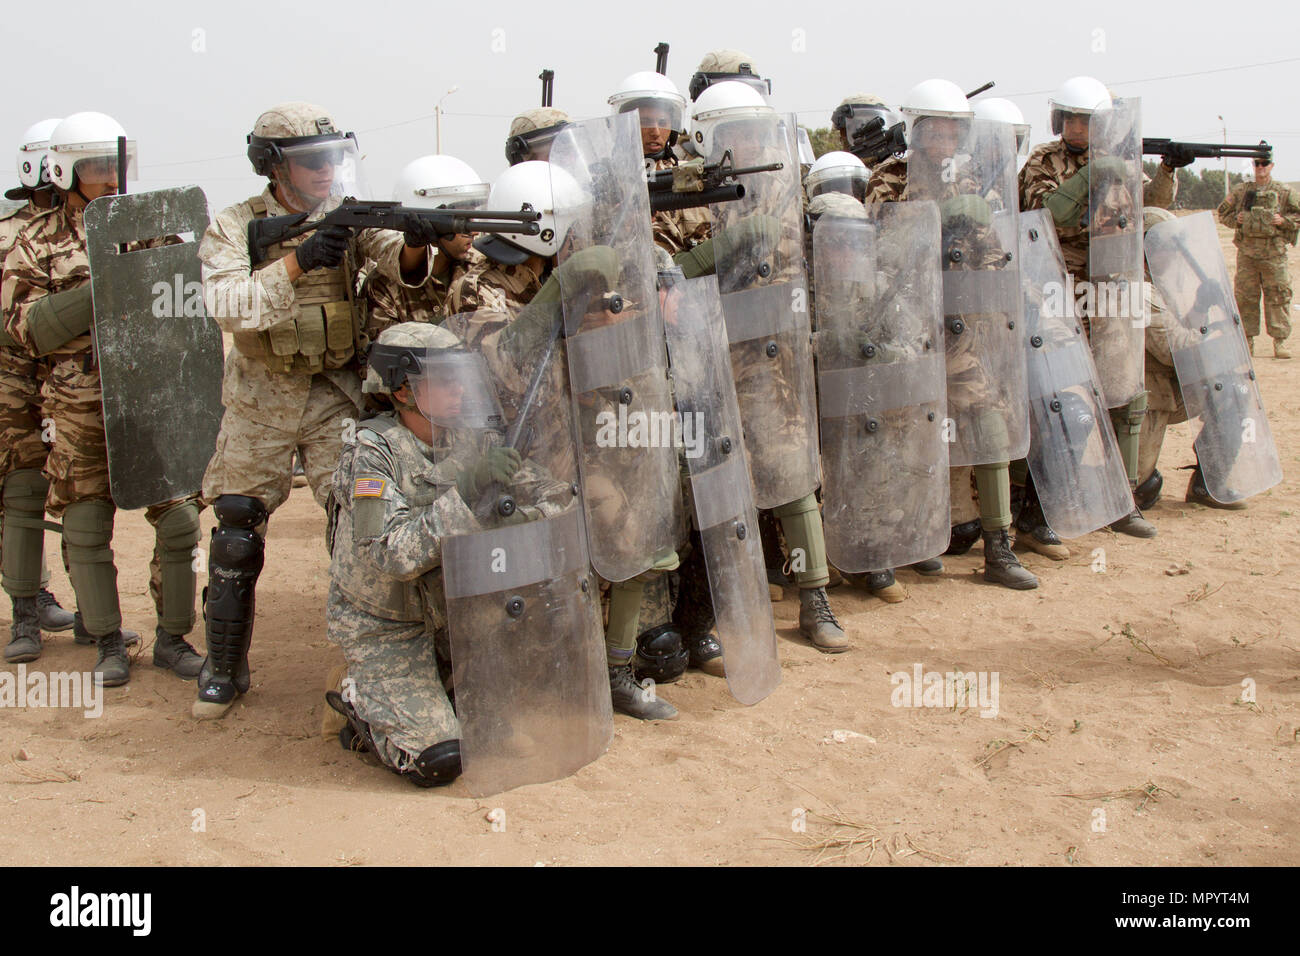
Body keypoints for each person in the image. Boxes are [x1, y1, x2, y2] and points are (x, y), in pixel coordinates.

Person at [196, 102, 412, 718]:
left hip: (331, 393)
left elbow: (398, 258)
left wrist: (431, 248)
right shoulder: (236, 225)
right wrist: (299, 260)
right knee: (237, 528)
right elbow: (228, 305)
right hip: (260, 395)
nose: (325, 170)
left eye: (332, 158)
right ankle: (224, 665)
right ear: (272, 165)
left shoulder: (344, 214)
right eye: (310, 161)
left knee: (357, 522)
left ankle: (365, 665)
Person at [447, 160, 682, 719]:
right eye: (567, 223)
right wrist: (559, 293)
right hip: (511, 454)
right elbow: (500, 367)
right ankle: (539, 677)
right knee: (542, 564)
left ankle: (618, 670)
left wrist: (600, 328)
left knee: (630, 532)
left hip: (579, 440)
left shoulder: (570, 273)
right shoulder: (476, 283)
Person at [325, 321, 577, 787]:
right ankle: (358, 696)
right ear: (402, 391)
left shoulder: (470, 439)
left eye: (460, 376)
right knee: (441, 759)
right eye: (443, 380)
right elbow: (393, 555)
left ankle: (438, 686)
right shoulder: (371, 454)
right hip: (389, 626)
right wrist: (465, 494)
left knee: (505, 732)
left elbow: (560, 495)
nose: (459, 389)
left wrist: (522, 519)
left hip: (456, 614)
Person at [2, 112, 198, 684]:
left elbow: (186, 305)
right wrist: (102, 289)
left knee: (181, 520)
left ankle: (172, 638)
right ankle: (108, 642)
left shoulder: (147, 226)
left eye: (115, 165)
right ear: (66, 170)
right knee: (87, 525)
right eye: (95, 167)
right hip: (78, 402)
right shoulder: (33, 240)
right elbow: (25, 328)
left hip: (149, 398)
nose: (110, 178)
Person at [674, 82, 849, 644]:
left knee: (793, 472)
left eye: (754, 132)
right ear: (707, 138)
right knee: (718, 486)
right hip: (703, 360)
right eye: (735, 134)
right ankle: (713, 612)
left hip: (772, 354)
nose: (747, 143)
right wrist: (724, 245)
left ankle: (814, 596)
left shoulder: (779, 184)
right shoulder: (680, 189)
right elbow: (663, 272)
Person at [866, 79, 1036, 589]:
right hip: (904, 331)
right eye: (934, 130)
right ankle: (912, 537)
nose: (943, 140)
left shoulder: (967, 184)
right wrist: (936, 219)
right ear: (916, 131)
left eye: (952, 132)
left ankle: (999, 546)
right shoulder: (887, 179)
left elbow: (987, 252)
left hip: (959, 330)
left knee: (986, 423)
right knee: (907, 432)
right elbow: (883, 249)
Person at [1019, 76, 1178, 538]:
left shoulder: (1120, 160)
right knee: (1062, 400)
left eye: (1086, 120)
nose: (1076, 127)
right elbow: (1047, 215)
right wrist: (1096, 172)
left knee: (1121, 394)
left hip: (1111, 290)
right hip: (1057, 294)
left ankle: (1119, 499)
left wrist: (1163, 170)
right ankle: (1042, 509)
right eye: (1069, 117)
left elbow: (1154, 204)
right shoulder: (1042, 161)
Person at [608, 68, 721, 680]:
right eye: (643, 116)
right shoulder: (605, 182)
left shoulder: (695, 176)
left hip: (694, 349)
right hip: (633, 359)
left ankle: (698, 624)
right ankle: (640, 634)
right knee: (646, 502)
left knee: (701, 493)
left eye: (663, 115)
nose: (656, 129)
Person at [1, 119, 78, 658]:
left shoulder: (86, 228)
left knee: (78, 494)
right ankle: (26, 609)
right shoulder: (13, 234)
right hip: (16, 384)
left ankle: (89, 612)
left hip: (68, 385)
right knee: (24, 495)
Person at [363, 155, 488, 338]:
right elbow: (387, 357)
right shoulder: (385, 287)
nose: (475, 232)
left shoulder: (480, 270)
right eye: (462, 222)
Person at [1216, 147, 1299, 359]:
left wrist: (1284, 221)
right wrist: (1237, 221)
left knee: (1278, 296)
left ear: (1271, 166)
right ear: (1253, 166)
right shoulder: (1242, 191)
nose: (1260, 168)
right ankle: (1247, 342)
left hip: (1274, 254)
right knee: (1245, 298)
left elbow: (1298, 215)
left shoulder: (1285, 192)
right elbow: (1222, 212)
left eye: (1264, 163)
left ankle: (1279, 343)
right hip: (1247, 255)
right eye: (1257, 164)